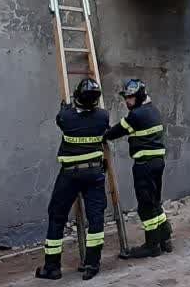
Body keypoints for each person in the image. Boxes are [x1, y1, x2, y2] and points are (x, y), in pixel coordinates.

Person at [37, 78, 110, 281]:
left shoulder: (65, 116)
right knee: (96, 219)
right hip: (94, 174)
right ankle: (92, 265)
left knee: (57, 216)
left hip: (70, 174)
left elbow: (63, 118)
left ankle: (52, 267)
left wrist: (66, 106)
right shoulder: (103, 116)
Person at [103, 79, 173, 259]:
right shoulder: (153, 110)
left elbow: (117, 131)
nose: (127, 101)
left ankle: (152, 246)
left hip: (145, 165)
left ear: (139, 96)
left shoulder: (137, 115)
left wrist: (103, 135)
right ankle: (165, 238)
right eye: (126, 98)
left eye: (130, 98)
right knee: (155, 201)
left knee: (145, 206)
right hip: (157, 162)